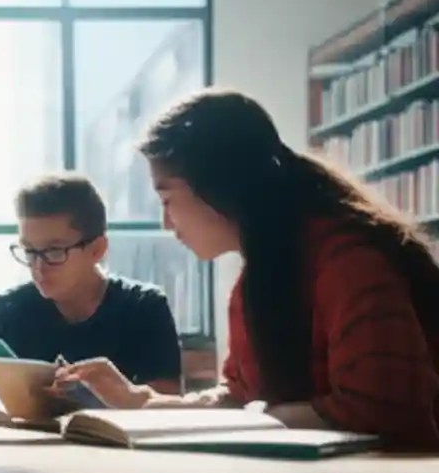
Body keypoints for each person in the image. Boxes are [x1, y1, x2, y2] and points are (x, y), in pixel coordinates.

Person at [55, 88, 439, 449]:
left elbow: (388, 412)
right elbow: (239, 398)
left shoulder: (349, 262)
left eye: (167, 199)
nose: (166, 223)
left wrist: (263, 418)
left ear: (218, 185)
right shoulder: (260, 274)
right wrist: (139, 401)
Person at [0, 174, 182, 396]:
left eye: (55, 251)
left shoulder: (144, 308)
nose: (39, 266)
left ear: (97, 250)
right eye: (30, 251)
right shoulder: (4, 311)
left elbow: (166, 405)